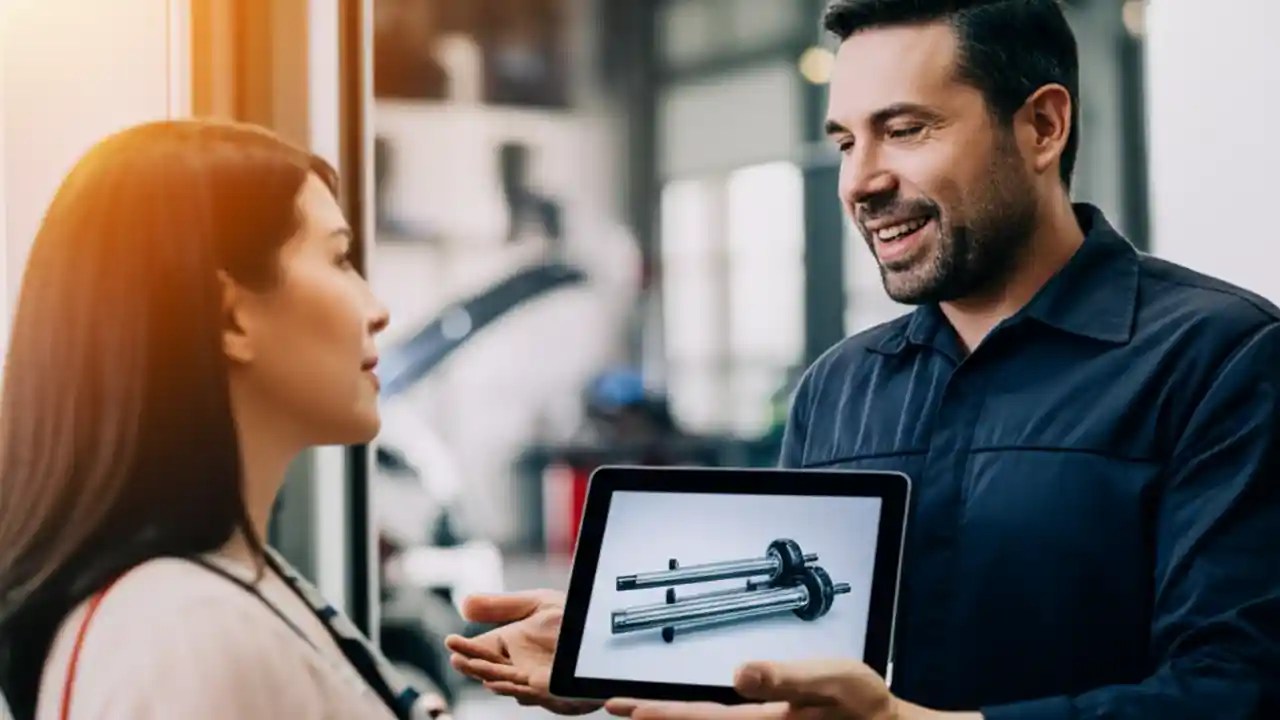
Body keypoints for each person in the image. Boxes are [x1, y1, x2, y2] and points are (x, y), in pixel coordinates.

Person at [445, 0, 1280, 718]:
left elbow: (1232, 692)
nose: (860, 180)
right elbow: (798, 659)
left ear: (1042, 125)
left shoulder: (1224, 359)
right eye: (846, 141)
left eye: (905, 130)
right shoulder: (838, 391)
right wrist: (623, 640)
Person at [0, 120, 449, 720]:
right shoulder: (179, 632)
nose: (377, 309)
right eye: (340, 259)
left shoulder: (226, 594)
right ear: (231, 319)